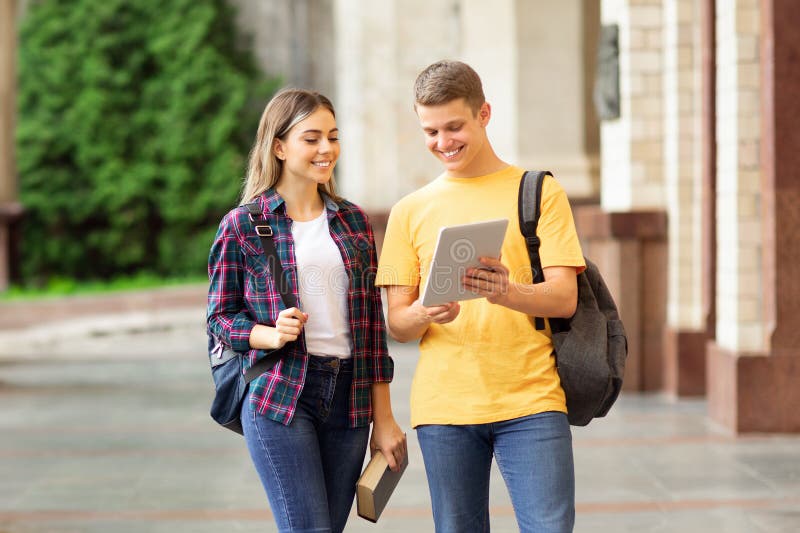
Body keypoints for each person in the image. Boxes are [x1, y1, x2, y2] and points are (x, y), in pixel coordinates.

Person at [375, 60, 585, 533]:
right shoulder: (409, 211)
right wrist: (425, 312)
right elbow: (398, 325)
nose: (443, 142)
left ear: (484, 114)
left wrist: (508, 292)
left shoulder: (540, 192)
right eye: (431, 131)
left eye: (454, 127)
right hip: (445, 408)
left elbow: (564, 298)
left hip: (532, 399)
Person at [207, 88, 407, 533]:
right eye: (312, 138)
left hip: (350, 399)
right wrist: (268, 334)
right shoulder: (244, 224)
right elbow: (219, 318)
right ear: (279, 147)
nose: (326, 149)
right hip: (280, 392)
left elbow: (371, 328)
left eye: (332, 137)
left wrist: (385, 418)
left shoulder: (353, 220)